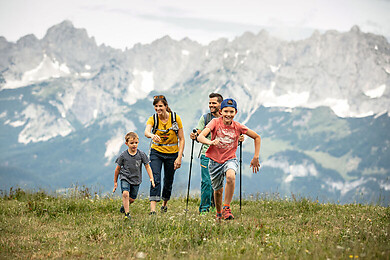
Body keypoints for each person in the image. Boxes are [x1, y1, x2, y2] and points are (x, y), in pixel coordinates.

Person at [197, 98, 261, 220]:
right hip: (214, 162)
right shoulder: (215, 122)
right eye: (226, 111)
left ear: (235, 113)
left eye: (231, 112)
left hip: (230, 159)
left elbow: (257, 137)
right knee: (218, 191)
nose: (228, 114)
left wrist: (256, 157)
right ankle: (219, 212)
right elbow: (200, 137)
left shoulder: (238, 126)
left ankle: (227, 208)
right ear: (221, 112)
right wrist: (210, 142)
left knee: (231, 176)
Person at [144, 95, 185, 215]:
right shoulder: (153, 119)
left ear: (166, 106)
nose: (158, 108)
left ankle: (164, 204)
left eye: (160, 106)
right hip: (156, 152)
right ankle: (153, 210)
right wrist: (152, 136)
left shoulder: (175, 118)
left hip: (172, 154)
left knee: (168, 180)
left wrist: (179, 157)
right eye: (156, 106)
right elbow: (146, 132)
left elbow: (182, 139)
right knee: (155, 178)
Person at [113, 132, 155, 220]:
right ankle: (127, 214)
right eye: (131, 143)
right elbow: (117, 169)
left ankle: (124, 206)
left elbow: (147, 166)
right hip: (125, 177)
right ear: (126, 144)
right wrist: (115, 182)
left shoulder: (141, 154)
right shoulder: (123, 155)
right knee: (125, 193)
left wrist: (151, 178)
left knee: (132, 199)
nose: (134, 145)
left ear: (138, 143)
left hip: (136, 179)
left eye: (136, 143)